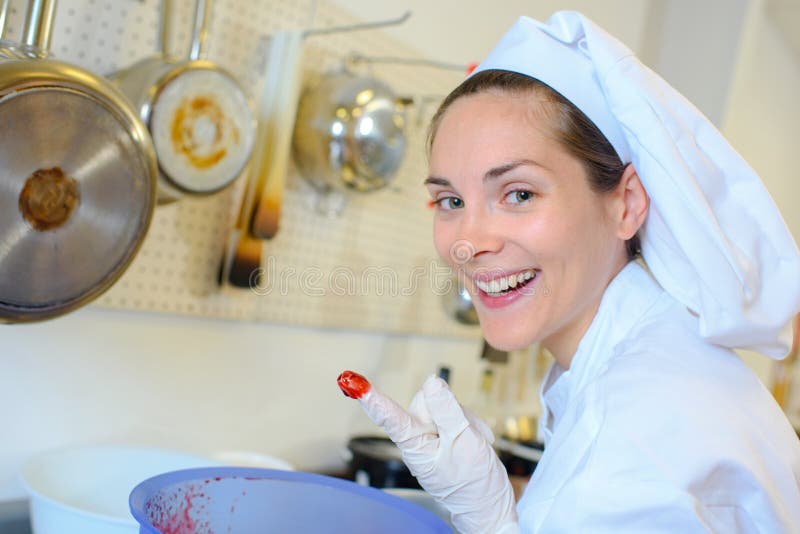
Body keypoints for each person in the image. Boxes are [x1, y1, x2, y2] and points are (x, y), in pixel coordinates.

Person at [347, 10, 800, 534]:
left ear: (625, 203)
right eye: (450, 200)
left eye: (518, 194)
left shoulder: (626, 459)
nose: (469, 243)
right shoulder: (653, 355)